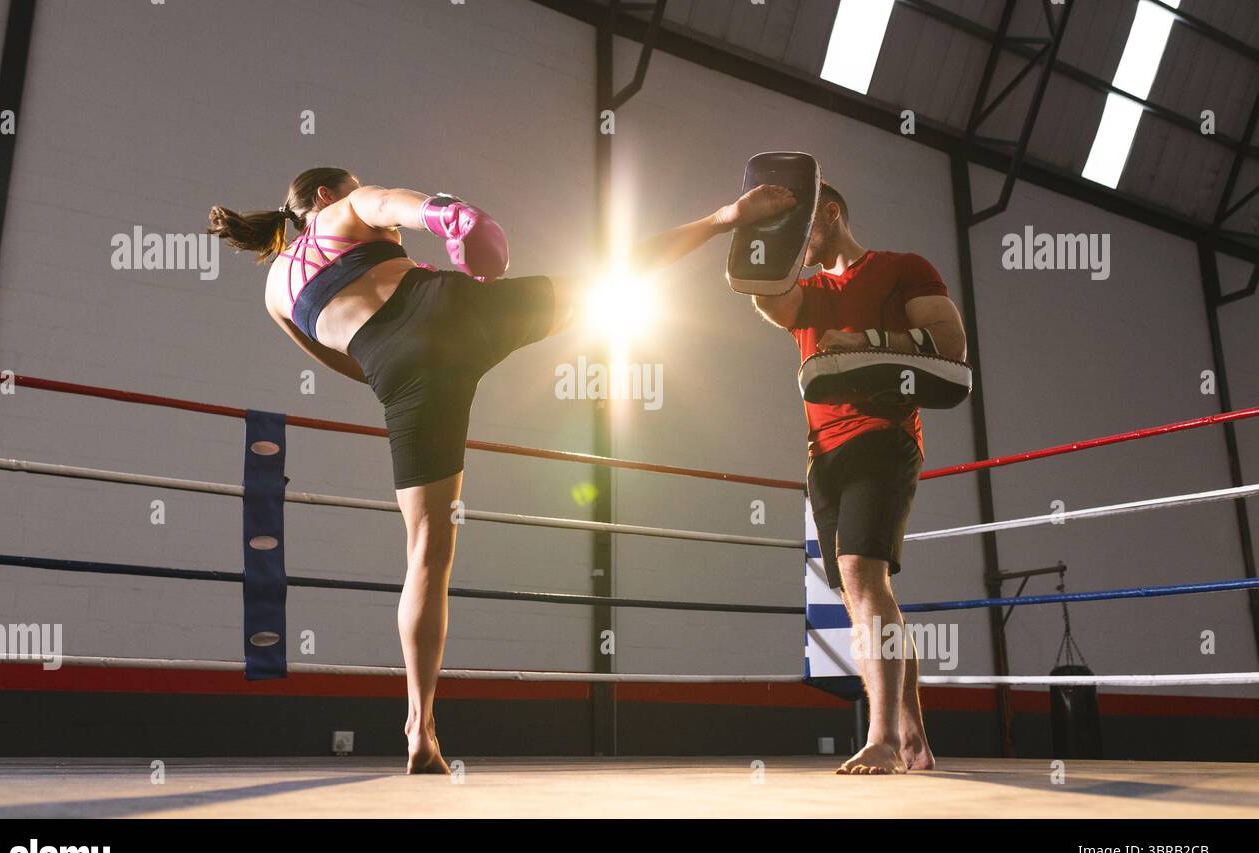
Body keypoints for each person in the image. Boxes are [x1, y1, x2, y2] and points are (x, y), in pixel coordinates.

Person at [209, 167, 775, 773]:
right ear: (324, 194)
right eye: (349, 182)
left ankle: (419, 726)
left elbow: (338, 359)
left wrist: (398, 371)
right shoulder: (346, 206)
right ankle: (726, 219)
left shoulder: (273, 291)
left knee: (426, 553)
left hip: (399, 375)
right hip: (451, 309)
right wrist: (461, 225)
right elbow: (422, 209)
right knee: (606, 280)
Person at [636, 179, 967, 775]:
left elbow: (951, 345)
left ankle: (883, 738)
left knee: (864, 581)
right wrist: (743, 222)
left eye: (802, 229)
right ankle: (913, 734)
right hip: (823, 456)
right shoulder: (807, 293)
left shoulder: (901, 268)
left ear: (832, 214)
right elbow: (764, 295)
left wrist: (866, 340)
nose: (796, 244)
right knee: (863, 589)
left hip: (884, 439)